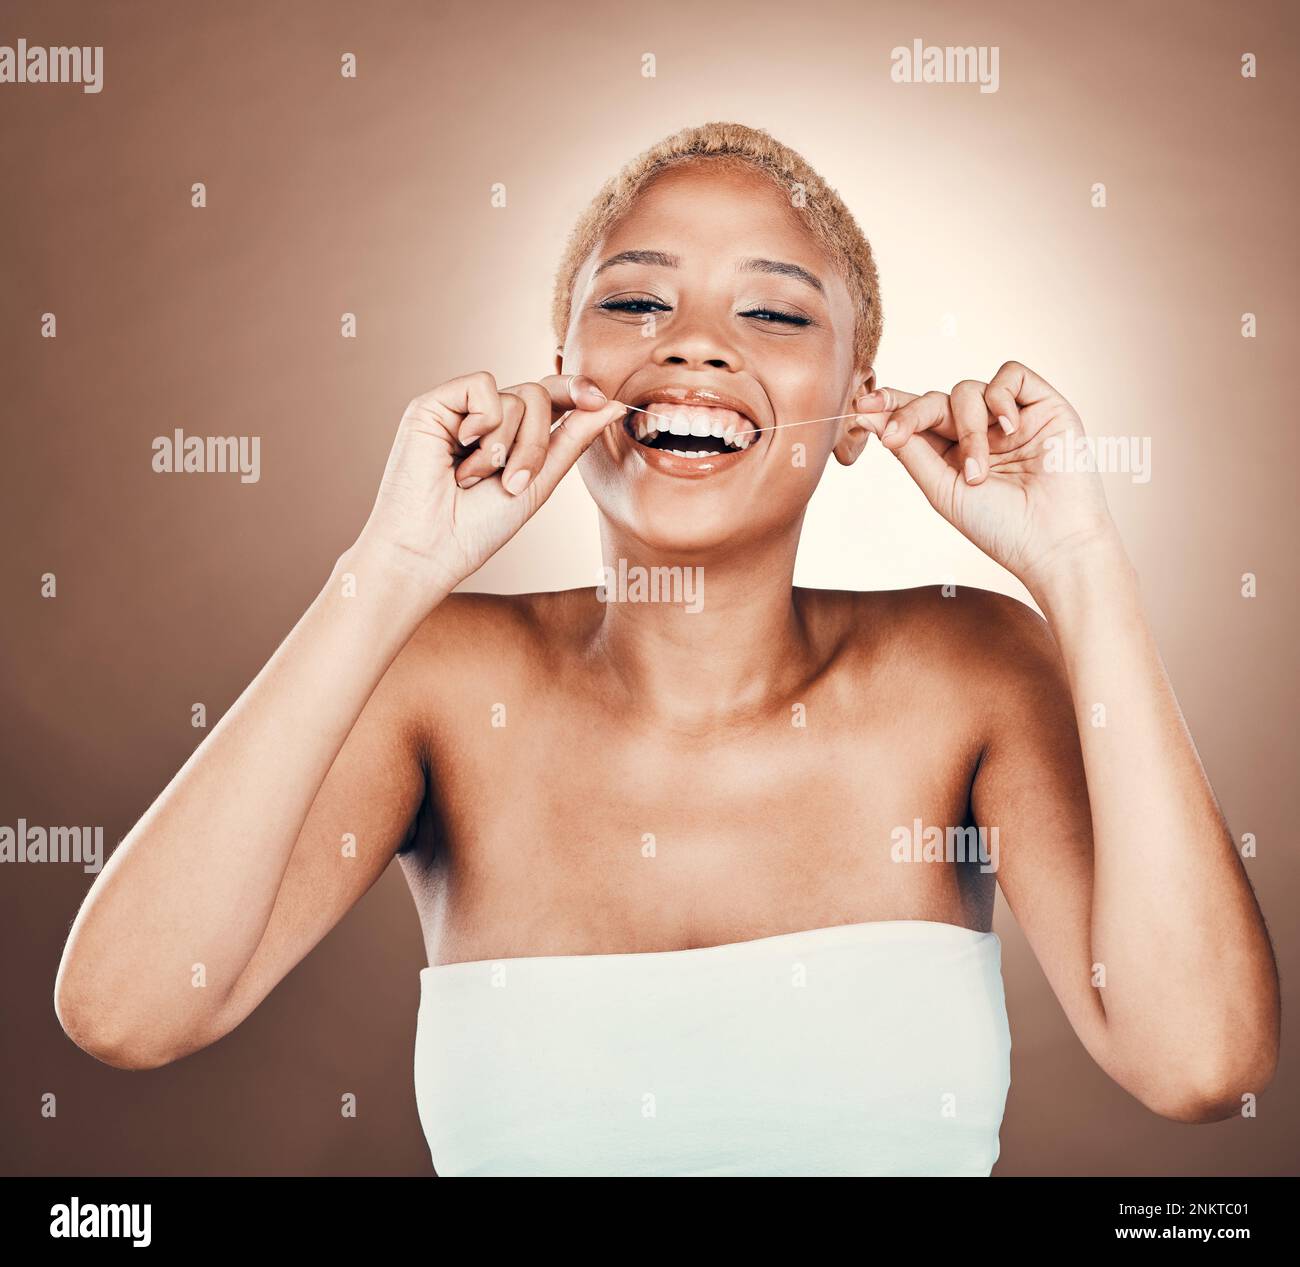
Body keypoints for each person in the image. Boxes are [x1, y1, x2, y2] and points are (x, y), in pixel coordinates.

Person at [54, 121, 1279, 1177]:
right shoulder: (439, 677)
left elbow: (1199, 1063)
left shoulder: (971, 665)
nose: (693, 342)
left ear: (857, 407)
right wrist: (390, 569)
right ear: (564, 375)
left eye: (772, 311)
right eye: (635, 301)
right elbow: (128, 1010)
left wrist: (1082, 570)